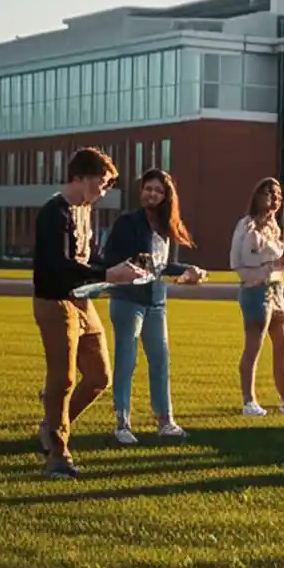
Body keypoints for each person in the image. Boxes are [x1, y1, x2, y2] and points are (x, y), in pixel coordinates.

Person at [33, 147, 150, 478]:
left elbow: (90, 259)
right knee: (64, 378)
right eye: (102, 182)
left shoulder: (84, 211)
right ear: (80, 177)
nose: (104, 189)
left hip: (82, 300)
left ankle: (51, 422)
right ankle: (58, 453)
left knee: (99, 377)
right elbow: (59, 268)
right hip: (55, 300)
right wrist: (109, 275)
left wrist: (119, 267)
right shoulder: (54, 213)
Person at [100, 168, 209, 444]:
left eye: (158, 191)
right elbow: (111, 258)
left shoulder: (166, 226)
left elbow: (161, 267)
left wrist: (189, 271)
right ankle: (122, 423)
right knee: (127, 361)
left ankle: (165, 421)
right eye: (148, 189)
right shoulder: (127, 223)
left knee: (160, 362)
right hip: (128, 300)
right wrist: (141, 263)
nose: (152, 194)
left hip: (156, 301)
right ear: (141, 191)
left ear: (166, 196)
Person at [229, 177, 284, 416]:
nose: (274, 199)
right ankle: (249, 401)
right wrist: (272, 265)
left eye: (278, 195)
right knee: (253, 348)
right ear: (257, 196)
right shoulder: (247, 227)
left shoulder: (273, 227)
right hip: (256, 291)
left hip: (277, 293)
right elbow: (238, 264)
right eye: (269, 194)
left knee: (283, 346)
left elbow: (274, 252)